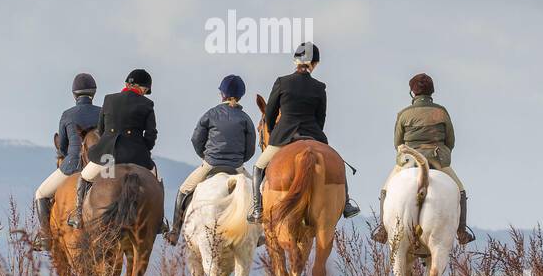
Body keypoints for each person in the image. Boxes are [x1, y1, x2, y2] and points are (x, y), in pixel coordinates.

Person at [249, 42, 360, 222]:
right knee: (337, 162)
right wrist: (315, 135)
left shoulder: (282, 82)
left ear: (296, 61)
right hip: (313, 134)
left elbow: (269, 113)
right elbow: (320, 117)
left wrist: (273, 132)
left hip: (283, 136)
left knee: (259, 166)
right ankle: (346, 204)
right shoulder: (319, 86)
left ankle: (256, 209)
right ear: (314, 63)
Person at [372, 72, 474, 245]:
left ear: (412, 92)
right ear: (432, 92)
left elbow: (397, 142)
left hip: (409, 160)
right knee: (460, 190)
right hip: (437, 159)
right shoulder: (441, 112)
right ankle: (461, 231)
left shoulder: (404, 114)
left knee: (386, 189)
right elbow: (450, 141)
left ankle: (382, 228)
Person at [167, 74, 257, 245]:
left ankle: (175, 232)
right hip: (236, 167)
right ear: (240, 95)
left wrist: (206, 157)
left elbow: (196, 139)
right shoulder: (246, 118)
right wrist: (238, 160)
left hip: (210, 165)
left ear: (222, 94)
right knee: (257, 195)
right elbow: (251, 148)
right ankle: (259, 233)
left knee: (184, 190)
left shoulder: (210, 114)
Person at [69, 68, 161, 228]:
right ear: (143, 88)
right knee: (156, 181)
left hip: (108, 156)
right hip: (137, 156)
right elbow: (151, 134)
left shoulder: (109, 99)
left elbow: (101, 129)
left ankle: (78, 214)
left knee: (84, 178)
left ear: (127, 84)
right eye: (146, 90)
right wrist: (143, 149)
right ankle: (159, 221)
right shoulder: (147, 104)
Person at [32, 73, 101, 249]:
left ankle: (46, 237)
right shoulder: (102, 112)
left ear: (74, 95)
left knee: (40, 194)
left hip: (72, 166)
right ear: (93, 93)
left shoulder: (67, 115)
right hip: (99, 167)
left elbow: (62, 147)